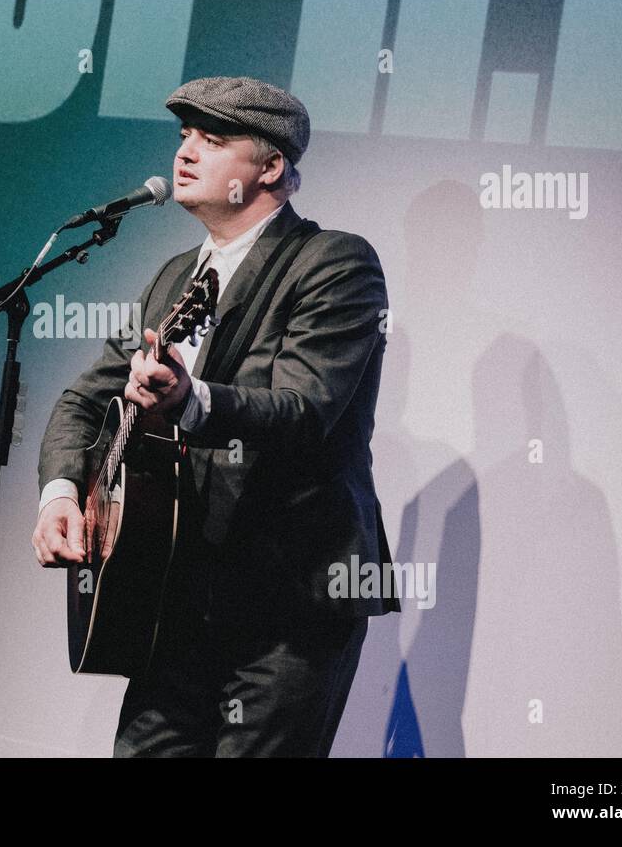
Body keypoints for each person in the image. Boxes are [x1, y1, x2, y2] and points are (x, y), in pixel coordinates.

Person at [33, 75, 400, 757]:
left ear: (270, 168)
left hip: (287, 601)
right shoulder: (174, 277)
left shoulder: (334, 263)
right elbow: (87, 400)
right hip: (175, 600)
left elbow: (302, 408)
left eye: (214, 138)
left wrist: (190, 400)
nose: (186, 152)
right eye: (184, 136)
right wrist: (61, 490)